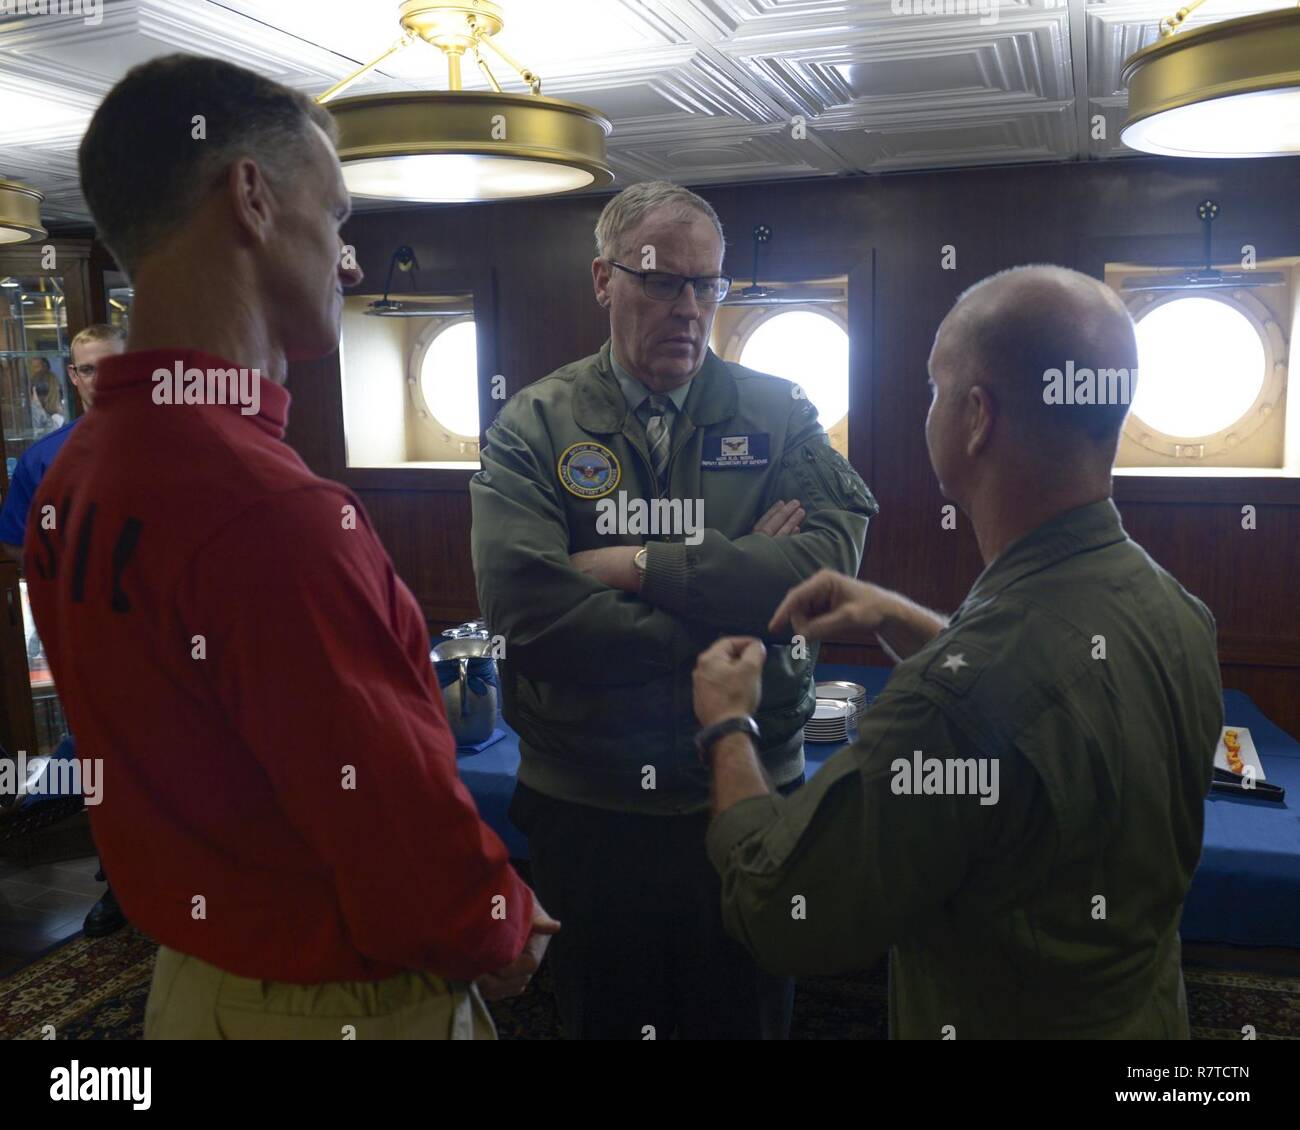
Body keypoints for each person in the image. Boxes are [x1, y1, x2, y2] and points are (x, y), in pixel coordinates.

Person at [26, 53, 554, 1040]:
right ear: (253, 197)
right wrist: (504, 920)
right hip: (330, 1003)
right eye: (341, 215)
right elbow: (403, 855)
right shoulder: (268, 508)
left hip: (193, 977)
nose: (349, 260)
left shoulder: (80, 468)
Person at [693, 264, 1223, 1039]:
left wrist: (726, 727)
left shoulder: (952, 705)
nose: (929, 409)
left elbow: (780, 911)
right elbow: (1047, 720)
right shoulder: (1176, 612)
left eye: (934, 389)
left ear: (976, 416)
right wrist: (900, 615)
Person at [471, 180, 879, 1039]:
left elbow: (827, 569)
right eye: (661, 282)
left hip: (748, 790)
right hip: (592, 801)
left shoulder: (780, 411)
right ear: (602, 280)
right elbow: (529, 615)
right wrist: (736, 615)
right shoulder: (533, 426)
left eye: (709, 284)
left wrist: (637, 564)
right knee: (605, 1020)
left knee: (748, 1017)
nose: (689, 308)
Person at [0, 323, 128, 937]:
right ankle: (121, 887)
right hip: (87, 638)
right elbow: (22, 549)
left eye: (113, 366)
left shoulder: (179, 445)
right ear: (73, 377)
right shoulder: (44, 459)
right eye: (88, 369)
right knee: (105, 762)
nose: (101, 380)